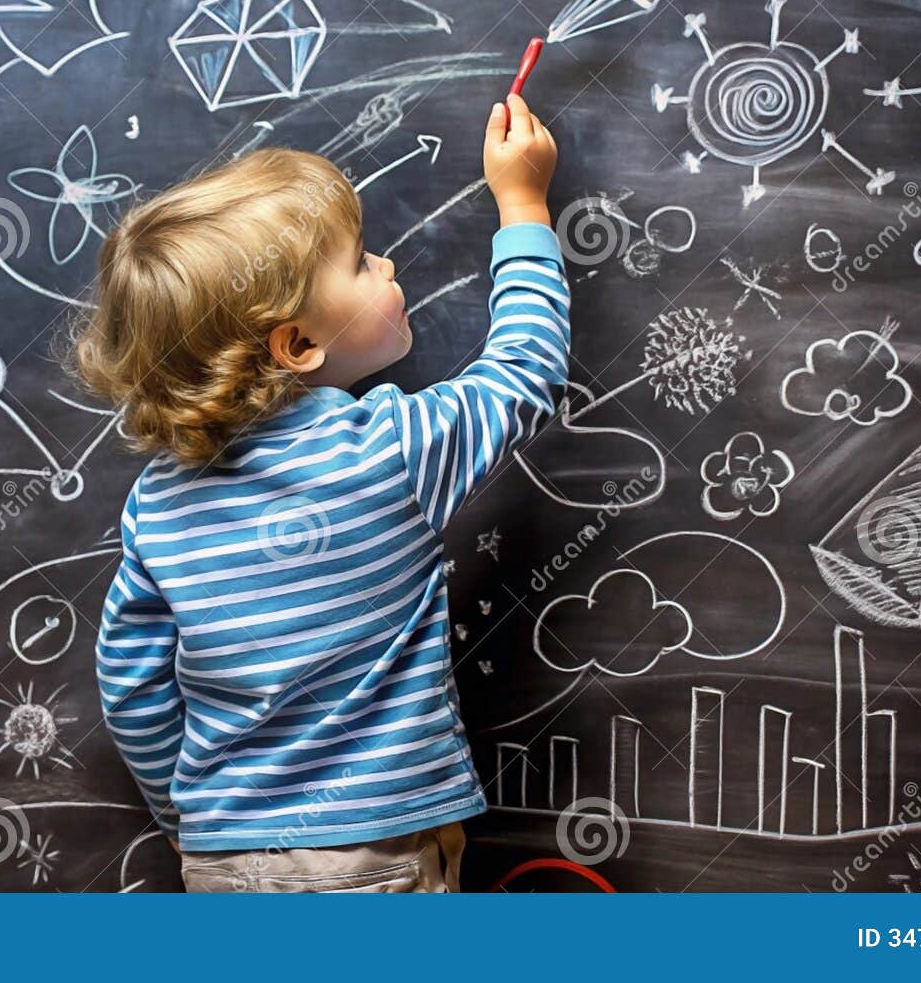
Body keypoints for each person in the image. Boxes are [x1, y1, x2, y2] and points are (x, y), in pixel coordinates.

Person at [74, 94, 567, 892]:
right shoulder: (388, 451)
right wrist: (522, 203)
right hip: (370, 855)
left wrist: (192, 820)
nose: (389, 266)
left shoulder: (157, 504)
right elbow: (524, 371)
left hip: (222, 859)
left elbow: (131, 687)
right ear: (298, 343)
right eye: (363, 261)